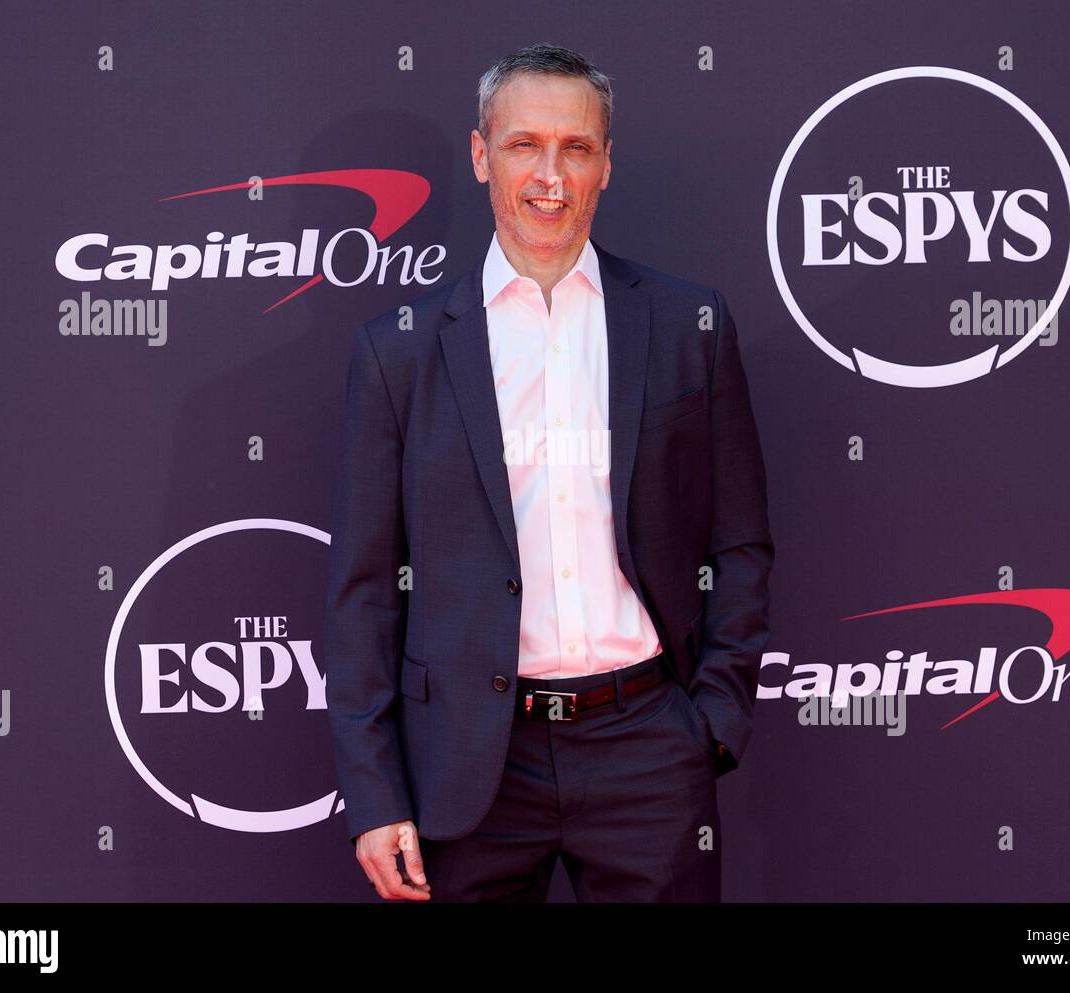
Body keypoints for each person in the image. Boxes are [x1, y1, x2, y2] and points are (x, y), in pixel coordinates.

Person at [324, 42, 773, 902]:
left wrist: (710, 724)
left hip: (649, 746)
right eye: (525, 144)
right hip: (465, 763)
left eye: (576, 148)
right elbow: (363, 590)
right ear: (481, 154)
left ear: (607, 164)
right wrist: (373, 791)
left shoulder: (690, 325)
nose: (550, 176)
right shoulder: (399, 353)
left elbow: (742, 541)